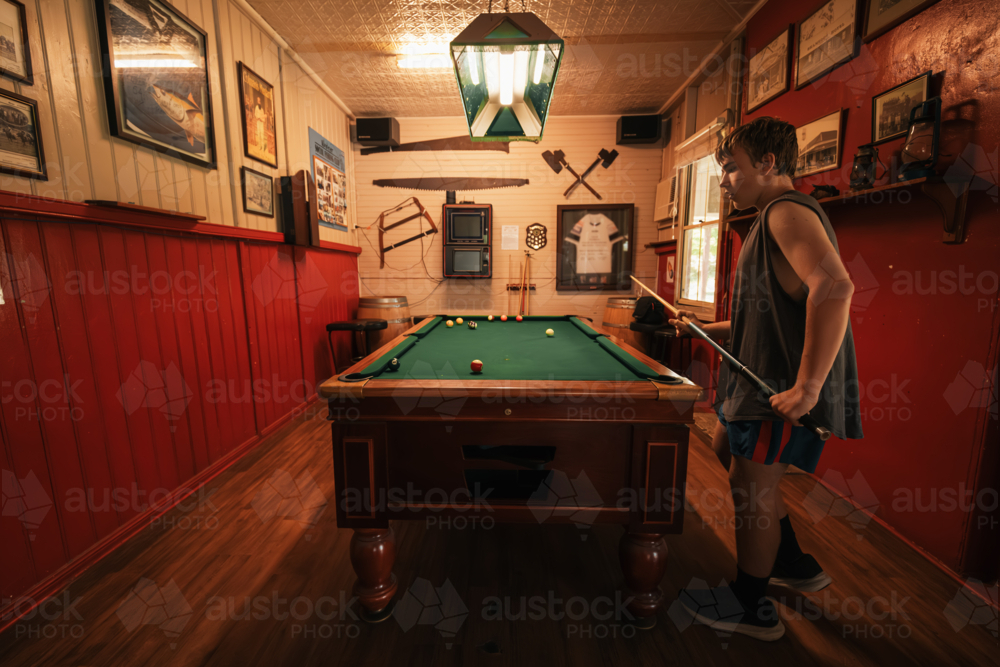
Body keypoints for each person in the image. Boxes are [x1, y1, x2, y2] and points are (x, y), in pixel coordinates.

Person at [673, 116, 863, 641]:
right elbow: (770, 314)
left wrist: (806, 388)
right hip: (752, 381)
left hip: (775, 387)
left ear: (768, 164)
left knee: (750, 490)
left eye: (731, 168)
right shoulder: (765, 220)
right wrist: (702, 327)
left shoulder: (784, 211)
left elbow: (835, 289)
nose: (725, 179)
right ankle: (793, 562)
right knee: (722, 447)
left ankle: (750, 607)